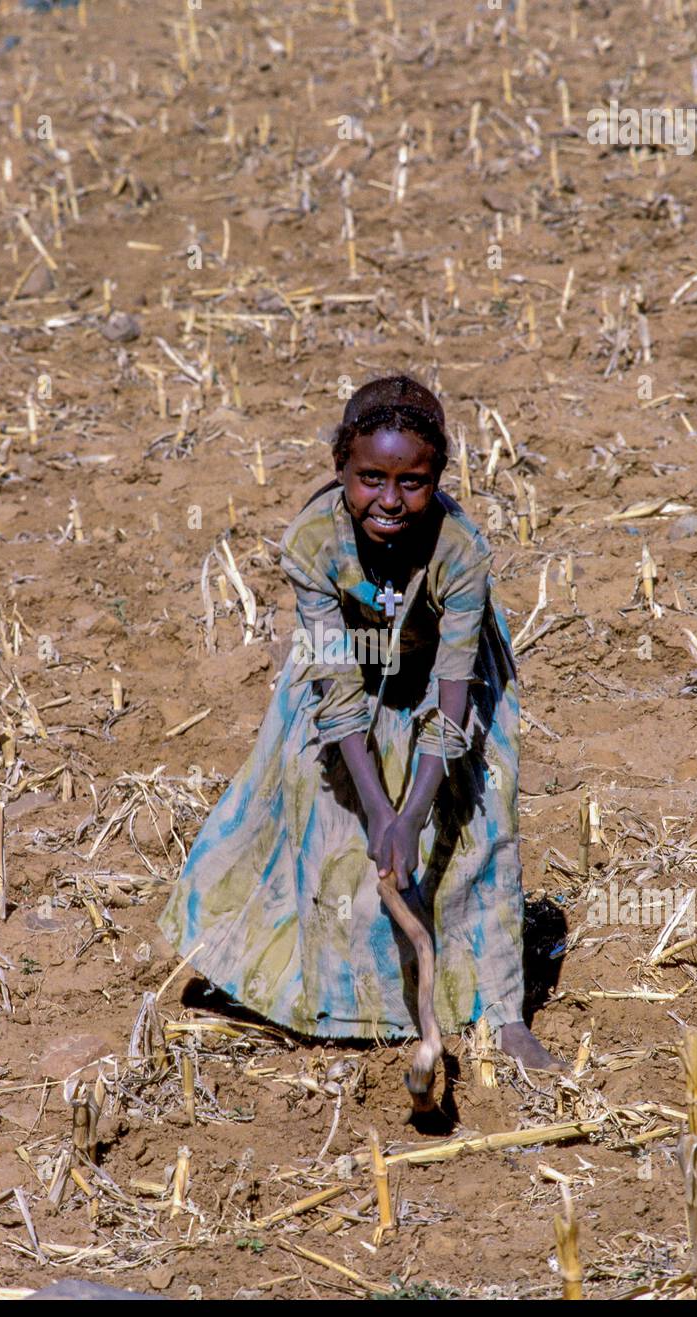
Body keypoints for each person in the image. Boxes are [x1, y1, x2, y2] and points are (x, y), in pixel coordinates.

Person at [158, 375, 562, 1072]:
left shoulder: (460, 551)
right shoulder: (313, 541)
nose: (391, 500)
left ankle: (499, 1009)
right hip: (341, 663)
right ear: (340, 468)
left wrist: (414, 812)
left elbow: (453, 690)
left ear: (438, 478)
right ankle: (323, 1000)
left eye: (414, 482)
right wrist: (380, 810)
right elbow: (338, 691)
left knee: (476, 828)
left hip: (449, 675)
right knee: (317, 820)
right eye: (371, 478)